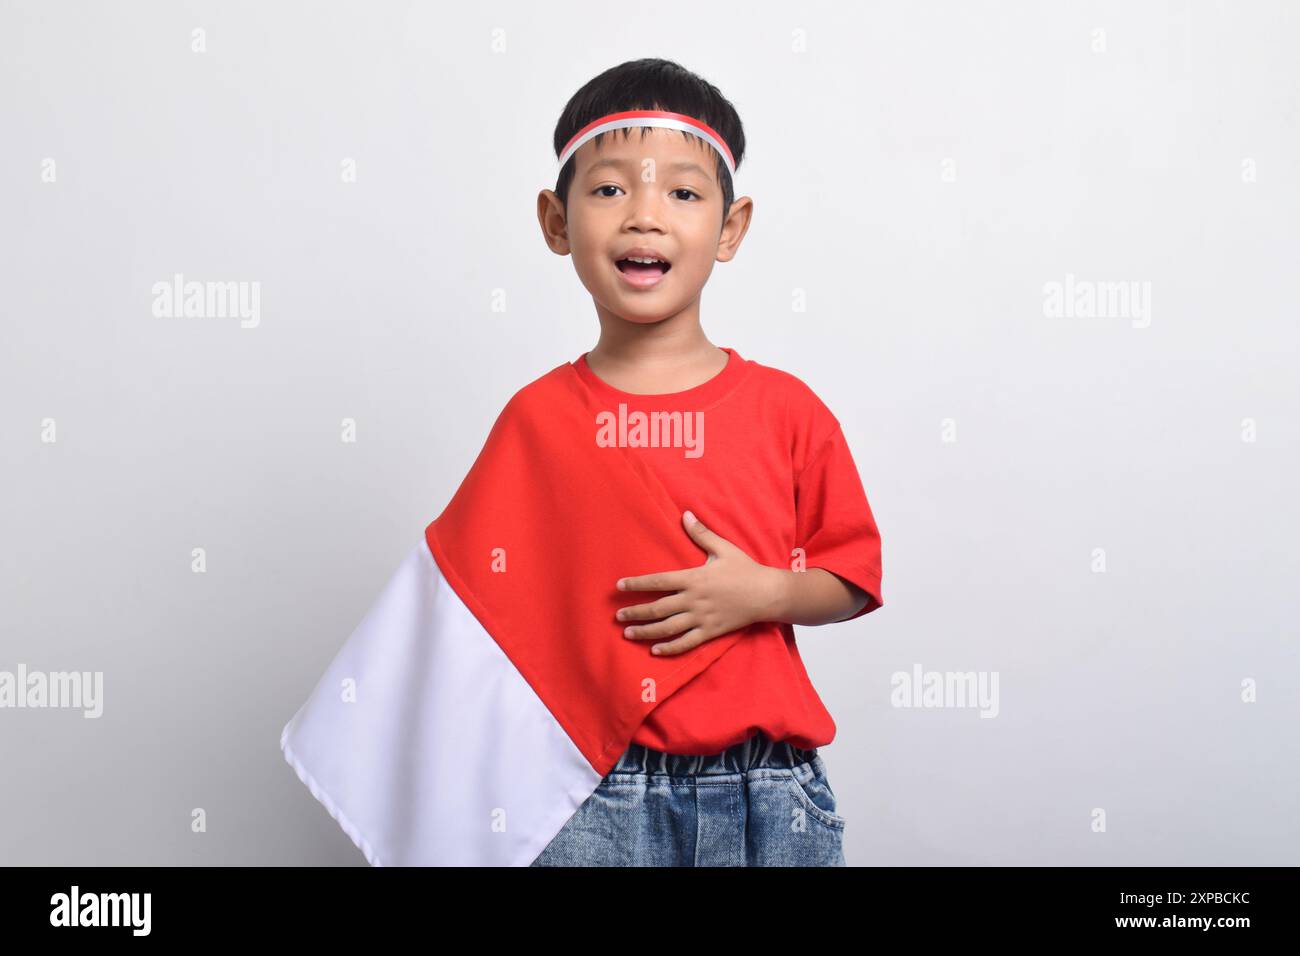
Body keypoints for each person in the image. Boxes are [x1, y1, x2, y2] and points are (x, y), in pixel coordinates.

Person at [527, 58, 885, 866]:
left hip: (767, 789)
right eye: (610, 188)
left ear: (730, 227)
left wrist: (763, 593)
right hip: (588, 787)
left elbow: (853, 575)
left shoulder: (787, 410)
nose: (645, 217)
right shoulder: (537, 421)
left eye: (683, 194)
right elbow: (482, 613)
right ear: (556, 221)